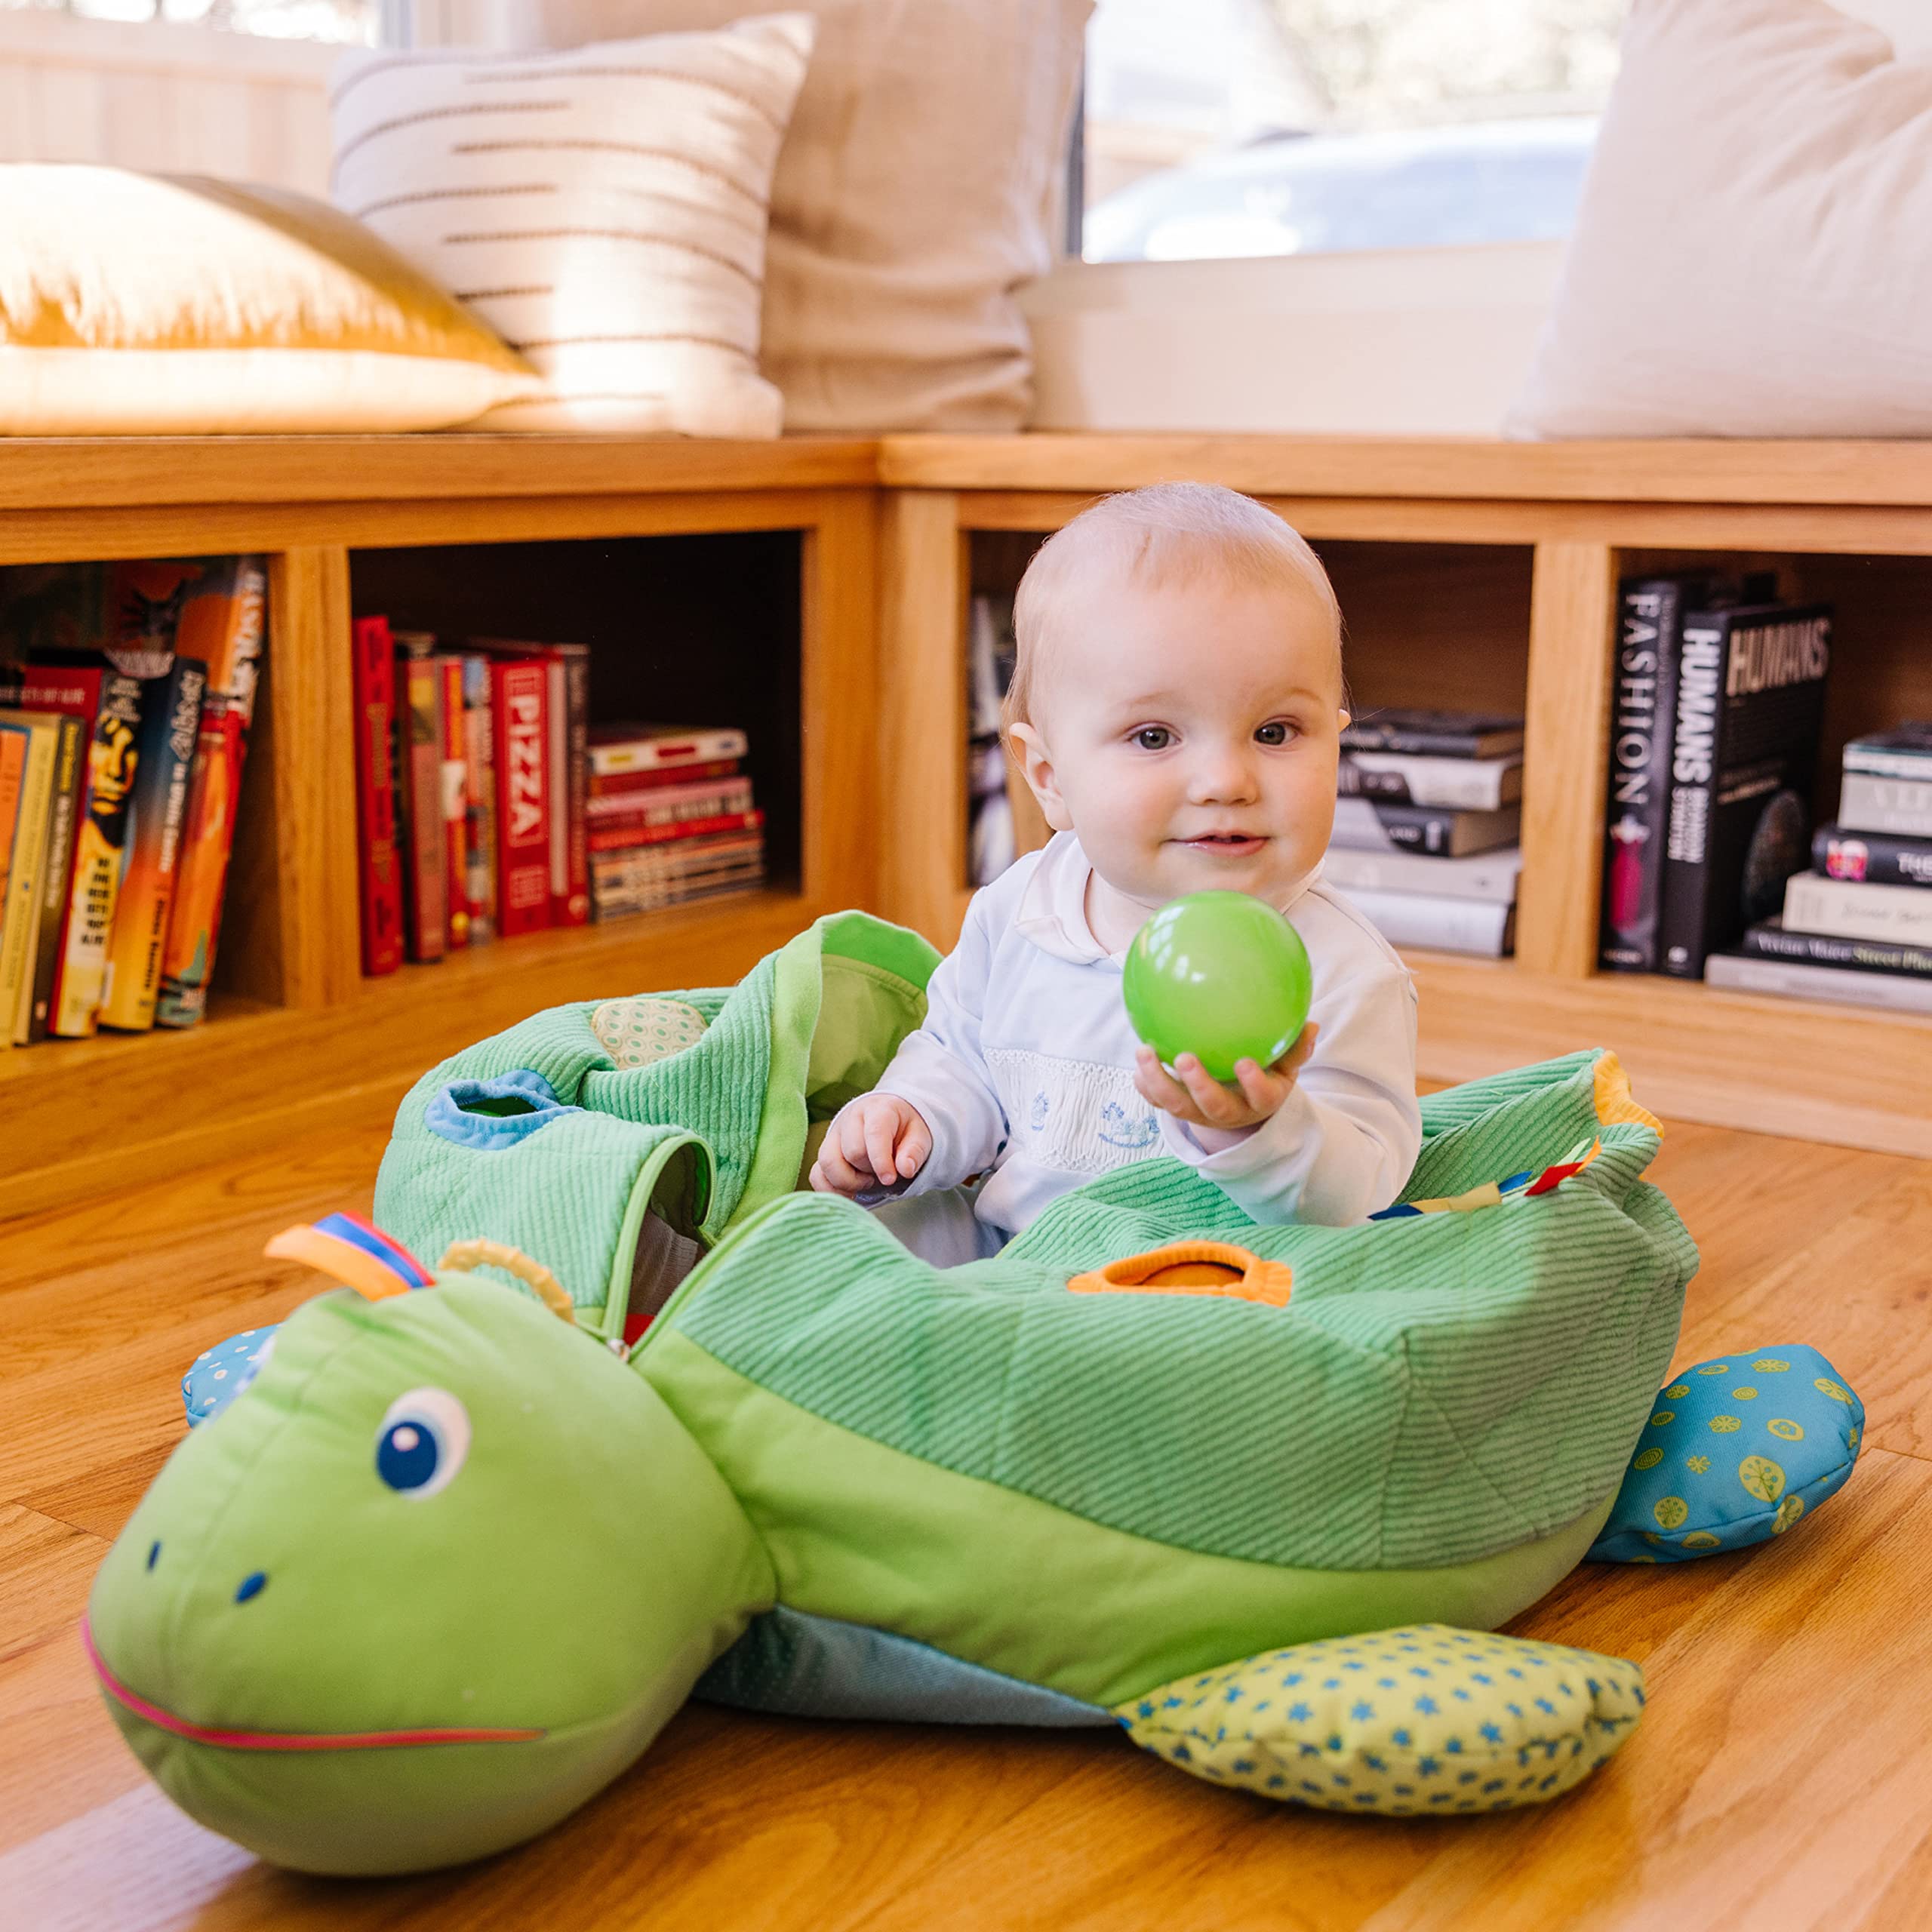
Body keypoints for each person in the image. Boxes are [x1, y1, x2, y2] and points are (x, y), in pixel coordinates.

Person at [811, 481, 1422, 1265]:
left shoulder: (1342, 969)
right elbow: (961, 1056)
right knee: (829, 1243)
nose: (1224, 780)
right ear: (1048, 776)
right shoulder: (1020, 911)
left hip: (1201, 1289)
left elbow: (1363, 1193)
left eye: (1274, 731)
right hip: (1010, 1256)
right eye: (1154, 735)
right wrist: (912, 1119)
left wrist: (1261, 1129)